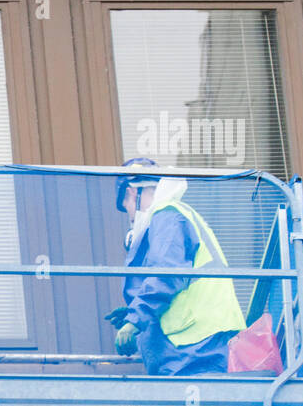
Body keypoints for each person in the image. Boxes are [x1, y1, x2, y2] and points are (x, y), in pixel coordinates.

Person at [105, 157, 246, 375]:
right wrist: (133, 312)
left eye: (127, 207)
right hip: (198, 341)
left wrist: (135, 319)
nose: (130, 217)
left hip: (193, 344)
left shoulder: (167, 215)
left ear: (132, 192)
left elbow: (167, 274)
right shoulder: (176, 216)